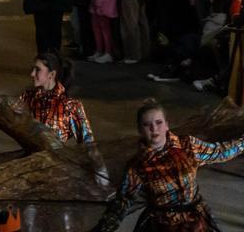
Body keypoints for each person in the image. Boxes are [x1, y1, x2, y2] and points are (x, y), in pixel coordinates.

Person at [95, 99, 244, 231]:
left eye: (158, 122)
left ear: (167, 125)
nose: (154, 129)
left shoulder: (187, 146)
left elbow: (220, 152)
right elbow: (122, 202)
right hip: (164, 225)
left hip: (196, 221)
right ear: (140, 130)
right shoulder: (138, 166)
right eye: (147, 125)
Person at [14, 53, 93, 143]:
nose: (32, 74)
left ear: (51, 74)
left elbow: (88, 143)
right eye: (33, 69)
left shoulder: (71, 106)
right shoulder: (27, 97)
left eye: (37, 70)